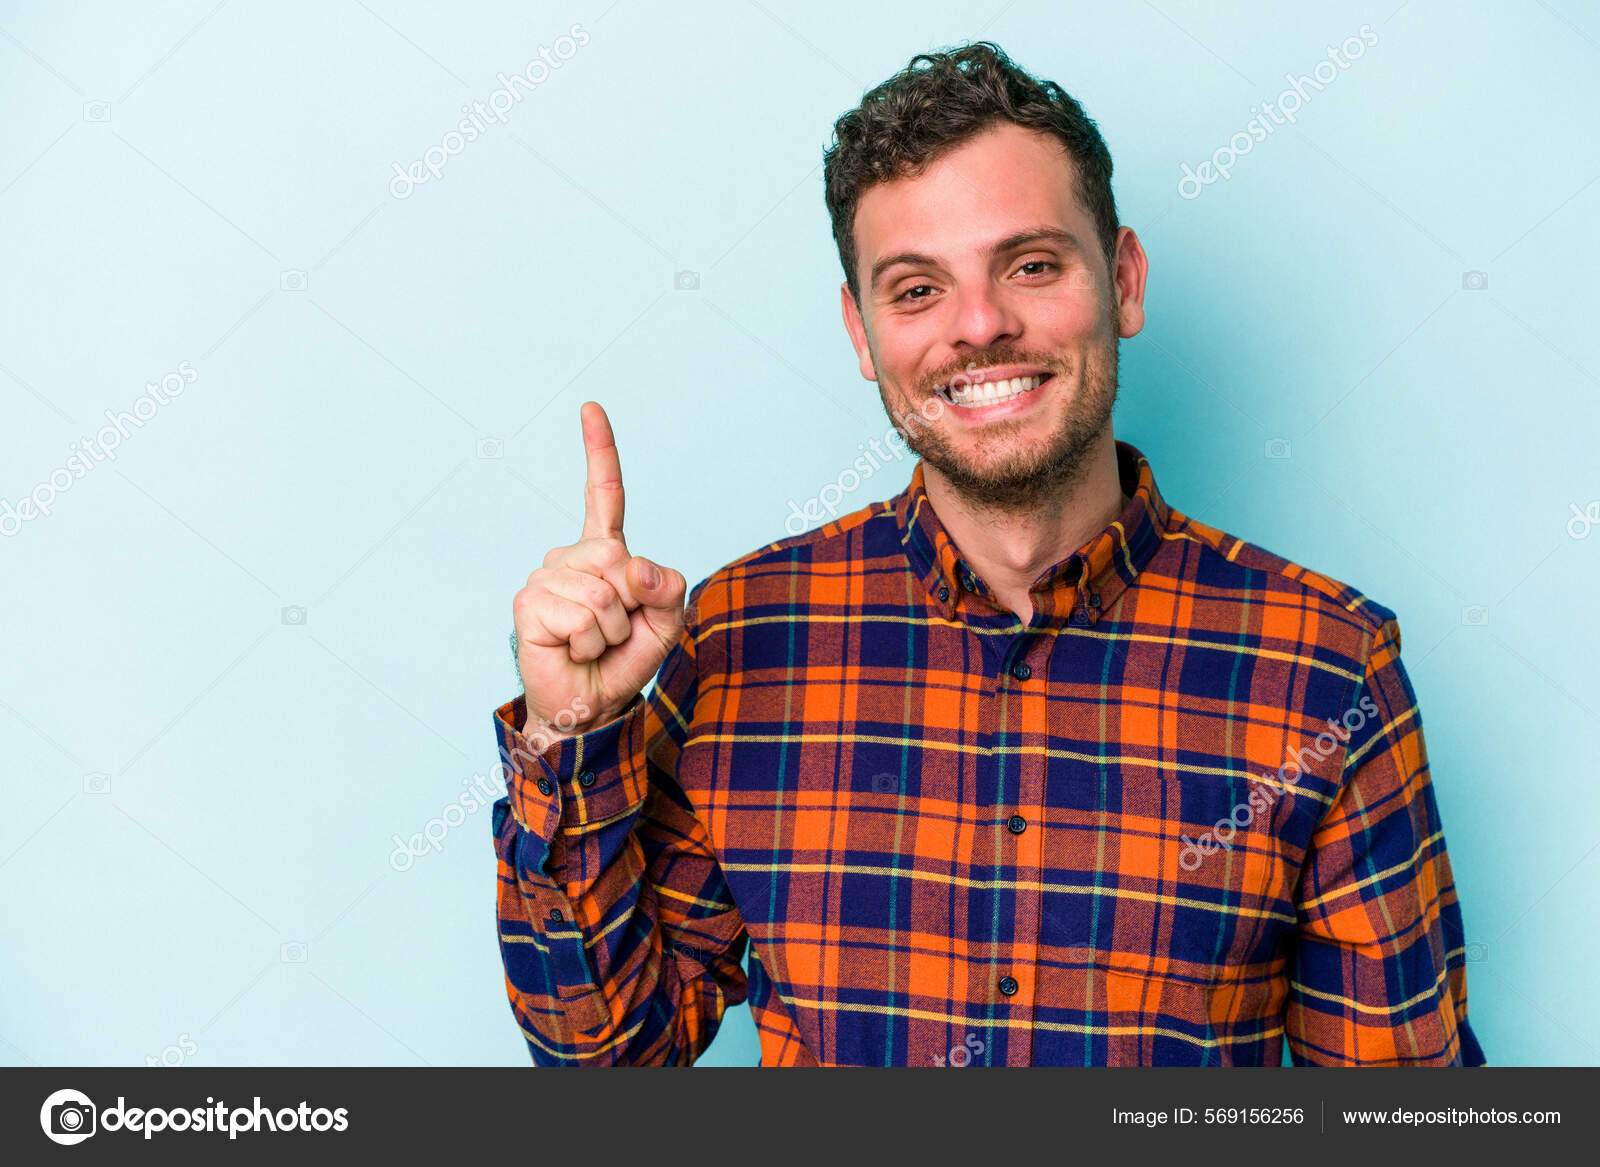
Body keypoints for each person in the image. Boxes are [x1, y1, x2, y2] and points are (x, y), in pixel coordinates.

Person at [490, 41, 1483, 1067]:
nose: (979, 327)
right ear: (863, 334)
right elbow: (611, 1062)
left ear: (1124, 281)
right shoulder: (739, 635)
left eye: (1032, 265)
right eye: (916, 289)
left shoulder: (1324, 666)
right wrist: (574, 730)